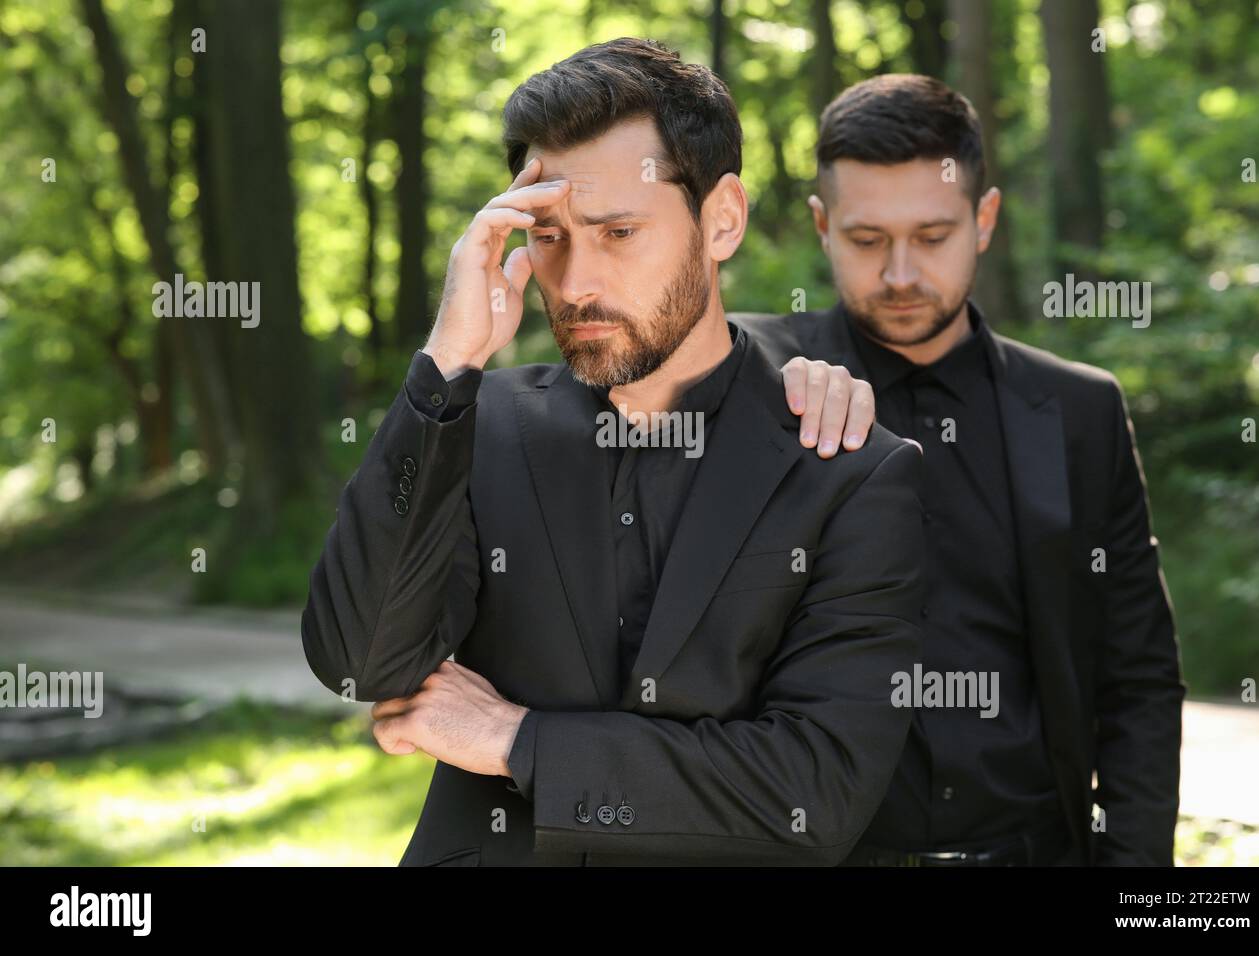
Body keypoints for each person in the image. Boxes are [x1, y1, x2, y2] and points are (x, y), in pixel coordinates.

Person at [301, 39, 925, 866]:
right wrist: (447, 366)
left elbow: (812, 793)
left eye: (619, 230)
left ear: (722, 219)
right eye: (551, 236)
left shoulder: (850, 469)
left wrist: (518, 741)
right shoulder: (474, 426)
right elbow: (360, 660)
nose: (576, 280)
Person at [737, 74, 1185, 866]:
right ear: (821, 226)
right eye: (868, 240)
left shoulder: (1080, 410)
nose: (902, 273)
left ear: (984, 219)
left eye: (933, 236)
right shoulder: (749, 380)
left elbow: (1138, 677)